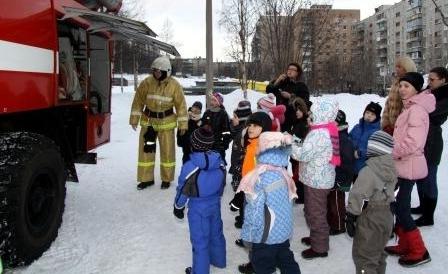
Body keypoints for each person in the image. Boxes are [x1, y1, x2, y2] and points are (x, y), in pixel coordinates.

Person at [385, 72, 434, 267]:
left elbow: (414, 142)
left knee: (402, 209)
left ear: (416, 88)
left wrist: (391, 152)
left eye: (407, 85)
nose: (402, 89)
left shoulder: (417, 110)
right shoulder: (410, 107)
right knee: (398, 205)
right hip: (402, 164)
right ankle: (404, 244)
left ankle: (419, 251)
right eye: (401, 85)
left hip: (409, 165)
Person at [237, 132, 301, 274]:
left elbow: (254, 212)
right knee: (286, 260)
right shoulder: (283, 173)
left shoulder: (259, 178)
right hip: (283, 232)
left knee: (263, 265)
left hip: (265, 237)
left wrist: (248, 236)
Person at [173, 127, 227, 274]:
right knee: (216, 233)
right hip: (215, 204)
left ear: (193, 145)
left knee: (200, 241)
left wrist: (178, 206)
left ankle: (200, 271)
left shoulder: (190, 166)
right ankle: (219, 260)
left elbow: (182, 189)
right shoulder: (219, 160)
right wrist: (218, 194)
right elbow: (222, 181)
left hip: (198, 209)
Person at [291, 98, 339, 259]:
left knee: (315, 213)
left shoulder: (319, 134)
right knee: (313, 210)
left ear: (321, 114)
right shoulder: (326, 129)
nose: (309, 115)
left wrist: (289, 143)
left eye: (312, 113)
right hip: (318, 178)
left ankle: (320, 247)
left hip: (317, 181)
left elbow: (303, 154)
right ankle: (316, 237)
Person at [129, 56, 188, 190]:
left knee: (167, 152)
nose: (156, 73)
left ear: (167, 71)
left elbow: (181, 106)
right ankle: (146, 179)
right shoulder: (147, 82)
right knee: (146, 152)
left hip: (166, 123)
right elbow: (138, 101)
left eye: (159, 71)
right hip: (148, 122)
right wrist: (134, 119)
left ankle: (166, 179)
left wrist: (183, 125)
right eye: (154, 71)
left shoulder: (174, 85)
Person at [345, 130, 397, 274]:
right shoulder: (392, 168)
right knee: (378, 251)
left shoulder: (368, 172)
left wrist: (351, 216)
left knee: (365, 256)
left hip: (371, 217)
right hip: (387, 214)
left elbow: (357, 194)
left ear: (373, 149)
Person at [228, 112, 272, 274]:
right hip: (249, 192)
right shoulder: (252, 142)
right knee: (249, 222)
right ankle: (250, 244)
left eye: (255, 125)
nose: (250, 128)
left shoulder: (263, 149)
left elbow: (261, 176)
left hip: (258, 195)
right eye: (250, 125)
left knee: (258, 229)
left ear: (265, 128)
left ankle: (257, 264)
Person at [412, 67, 448, 226]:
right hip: (422, 139)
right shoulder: (428, 92)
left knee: (429, 179)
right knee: (420, 176)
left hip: (432, 142)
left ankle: (429, 216)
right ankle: (422, 207)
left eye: (432, 80)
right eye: (429, 79)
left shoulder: (445, 96)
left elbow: (431, 113)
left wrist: (418, 108)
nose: (429, 82)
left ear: (443, 80)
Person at [327, 110, 355, 236]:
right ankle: (332, 222)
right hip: (333, 174)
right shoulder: (333, 134)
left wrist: (342, 177)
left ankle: (339, 225)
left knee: (336, 202)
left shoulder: (343, 139)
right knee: (331, 200)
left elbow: (347, 161)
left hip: (339, 176)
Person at [266, 62, 310, 132]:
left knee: (288, 139)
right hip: (279, 116)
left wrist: (290, 96)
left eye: (293, 69)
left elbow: (305, 101)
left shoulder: (301, 85)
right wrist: (278, 80)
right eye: (289, 69)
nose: (290, 71)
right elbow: (268, 90)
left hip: (292, 117)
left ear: (297, 73)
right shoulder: (282, 82)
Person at [381, 56, 417, 135]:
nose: (396, 69)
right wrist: (386, 124)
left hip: (402, 129)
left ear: (406, 67)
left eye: (399, 66)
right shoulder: (396, 83)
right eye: (396, 66)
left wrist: (398, 127)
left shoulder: (412, 84)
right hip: (389, 126)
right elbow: (388, 103)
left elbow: (408, 107)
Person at [349, 102, 382, 180]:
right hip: (351, 166)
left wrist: (360, 153)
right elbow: (348, 139)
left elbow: (375, 151)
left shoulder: (377, 132)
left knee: (360, 191)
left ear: (377, 117)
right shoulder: (357, 127)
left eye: (373, 114)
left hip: (364, 169)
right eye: (367, 112)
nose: (369, 115)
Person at [289, 97, 310, 204]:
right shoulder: (297, 122)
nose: (297, 112)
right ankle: (298, 195)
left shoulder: (305, 123)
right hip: (294, 156)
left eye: (299, 110)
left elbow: (305, 142)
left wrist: (291, 138)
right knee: (296, 175)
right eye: (295, 110)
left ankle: (301, 197)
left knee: (299, 177)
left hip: (301, 157)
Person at [201, 92, 232, 163]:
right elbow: (202, 125)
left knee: (218, 162)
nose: (212, 102)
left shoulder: (223, 114)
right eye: (211, 100)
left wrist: (224, 143)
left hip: (218, 144)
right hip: (207, 143)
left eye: (215, 100)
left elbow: (226, 130)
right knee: (207, 162)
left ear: (219, 102)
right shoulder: (207, 112)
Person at [229, 100, 252, 192]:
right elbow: (232, 133)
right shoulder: (235, 118)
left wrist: (235, 126)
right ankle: (236, 179)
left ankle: (241, 180)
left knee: (242, 162)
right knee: (236, 161)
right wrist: (235, 125)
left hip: (244, 145)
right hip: (236, 145)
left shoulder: (251, 121)